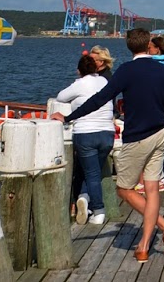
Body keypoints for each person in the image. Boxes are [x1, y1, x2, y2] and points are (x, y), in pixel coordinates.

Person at [51, 27, 164, 263]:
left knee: (125, 189)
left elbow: (100, 99)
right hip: (160, 133)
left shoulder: (126, 70)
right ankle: (148, 242)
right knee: (151, 189)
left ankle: (163, 227)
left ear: (129, 46)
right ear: (148, 44)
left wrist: (69, 117)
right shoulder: (163, 70)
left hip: (137, 136)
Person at [57, 53, 113, 226]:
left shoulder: (79, 84)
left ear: (79, 70)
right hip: (107, 133)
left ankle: (98, 211)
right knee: (92, 171)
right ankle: (83, 197)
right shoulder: (104, 82)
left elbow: (60, 97)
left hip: (86, 134)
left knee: (92, 174)